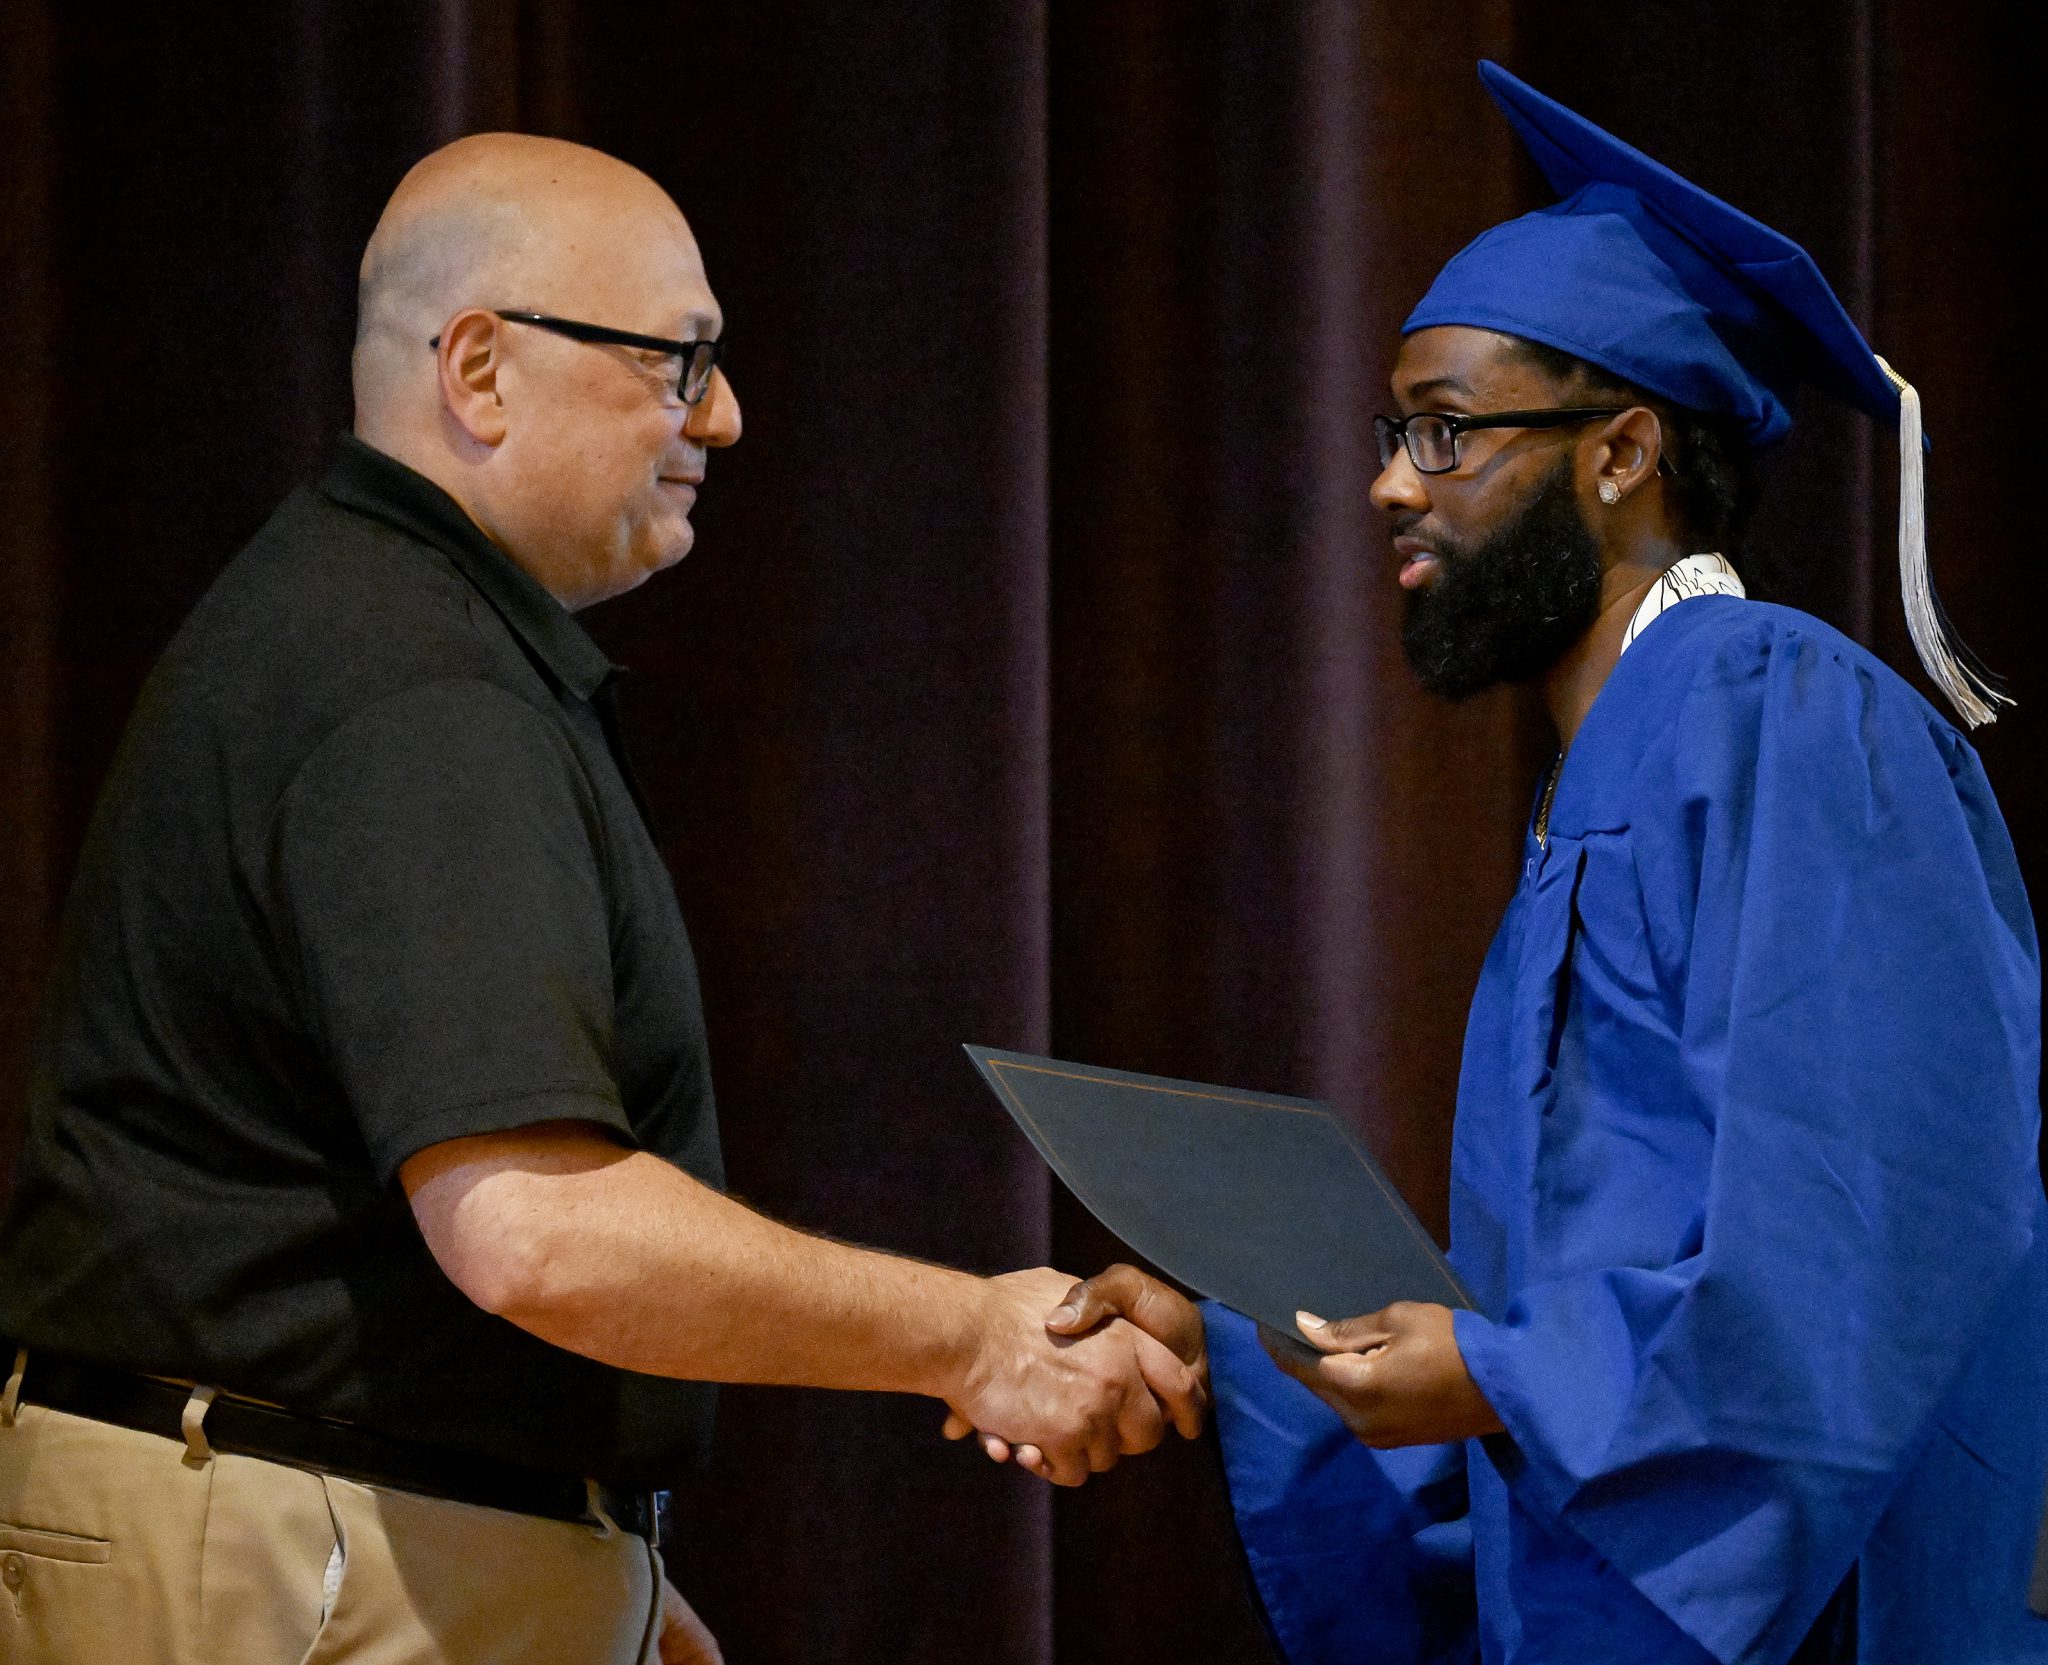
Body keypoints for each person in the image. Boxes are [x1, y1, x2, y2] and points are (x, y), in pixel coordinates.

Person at [0, 133, 1203, 1665]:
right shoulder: (412, 684)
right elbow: (538, 1234)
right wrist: (969, 1339)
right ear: (483, 370)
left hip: (318, 1537)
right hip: (286, 1565)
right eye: (678, 358)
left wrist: (580, 1561)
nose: (724, 413)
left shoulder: (379, 628)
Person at [1046, 63, 2048, 1664]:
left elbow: (1866, 1244)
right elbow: (1570, 1326)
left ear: (1623, 450)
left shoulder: (1781, 715)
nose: (1390, 480)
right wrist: (1267, 1352)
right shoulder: (1619, 765)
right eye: (1394, 433)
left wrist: (1501, 1376)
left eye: (1446, 431)